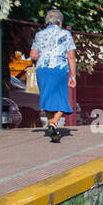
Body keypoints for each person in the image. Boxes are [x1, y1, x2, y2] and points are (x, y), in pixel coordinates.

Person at [29, 9, 76, 142]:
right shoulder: (66, 34)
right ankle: (53, 123)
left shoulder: (39, 35)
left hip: (42, 70)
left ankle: (52, 127)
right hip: (58, 69)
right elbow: (71, 57)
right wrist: (73, 76)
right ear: (60, 22)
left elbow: (33, 55)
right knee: (62, 98)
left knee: (47, 98)